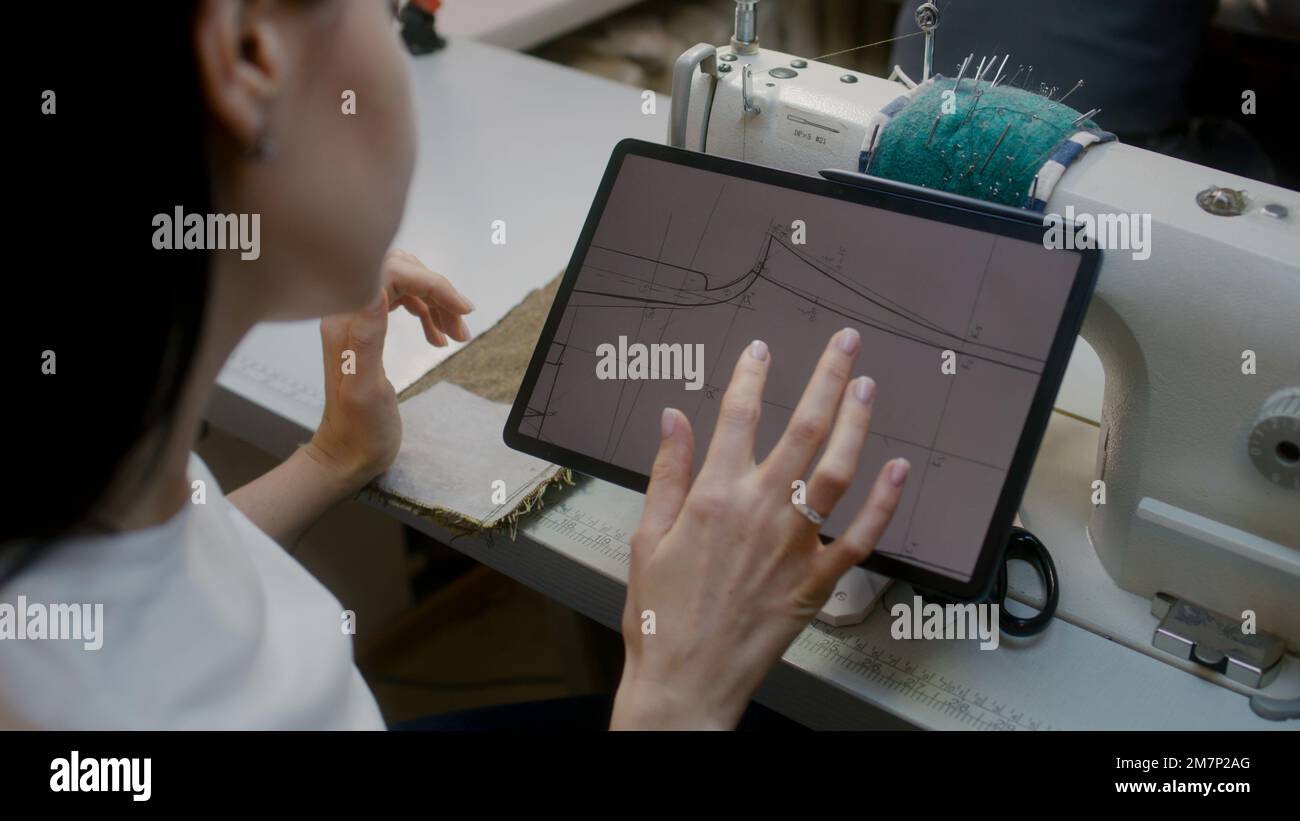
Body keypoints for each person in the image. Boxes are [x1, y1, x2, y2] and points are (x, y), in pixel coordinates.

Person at [2, 0, 907, 730]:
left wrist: (334, 457)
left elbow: (143, 591)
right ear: (248, 55)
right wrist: (674, 701)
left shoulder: (104, 476)